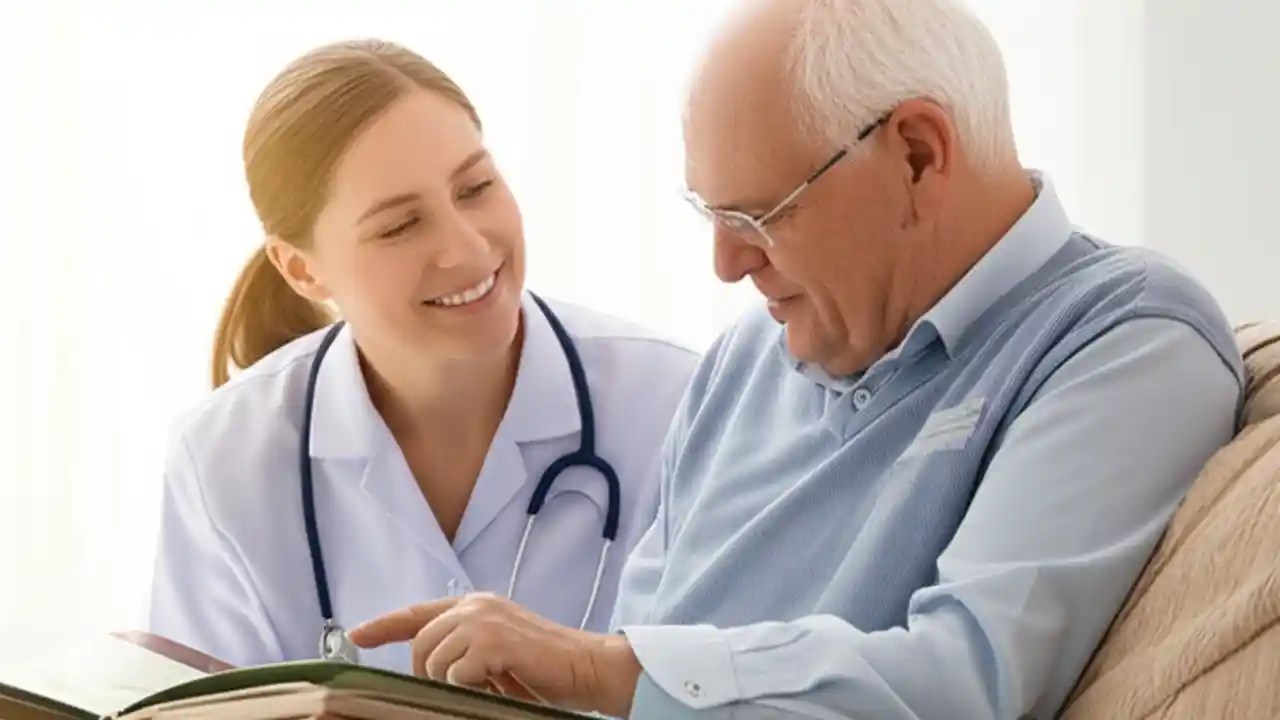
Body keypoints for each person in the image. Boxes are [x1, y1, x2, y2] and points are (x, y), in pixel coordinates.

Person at [347, 1, 1246, 718]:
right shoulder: (746, 360)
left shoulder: (1123, 336)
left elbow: (967, 681)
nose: (727, 264)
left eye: (759, 217)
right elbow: (636, 662)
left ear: (919, 155)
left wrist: (591, 668)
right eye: (711, 217)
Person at [145, 39, 699, 674]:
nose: (465, 248)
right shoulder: (221, 459)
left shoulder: (676, 401)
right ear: (301, 270)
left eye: (475, 187)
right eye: (399, 226)